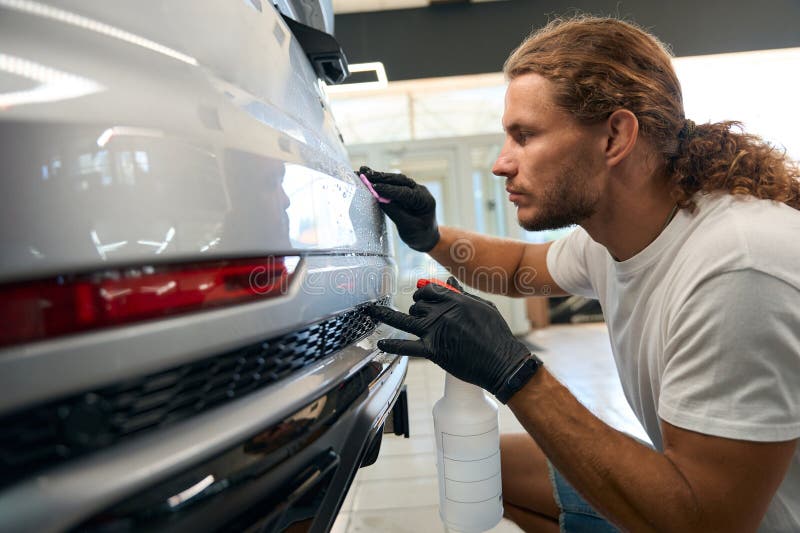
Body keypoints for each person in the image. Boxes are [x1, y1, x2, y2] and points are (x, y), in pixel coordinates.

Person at [363, 15, 800, 533]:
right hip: (702, 503)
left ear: (615, 136)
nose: (502, 163)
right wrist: (430, 236)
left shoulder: (735, 267)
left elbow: (708, 523)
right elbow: (519, 267)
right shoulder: (613, 237)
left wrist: (513, 373)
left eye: (524, 136)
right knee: (498, 465)